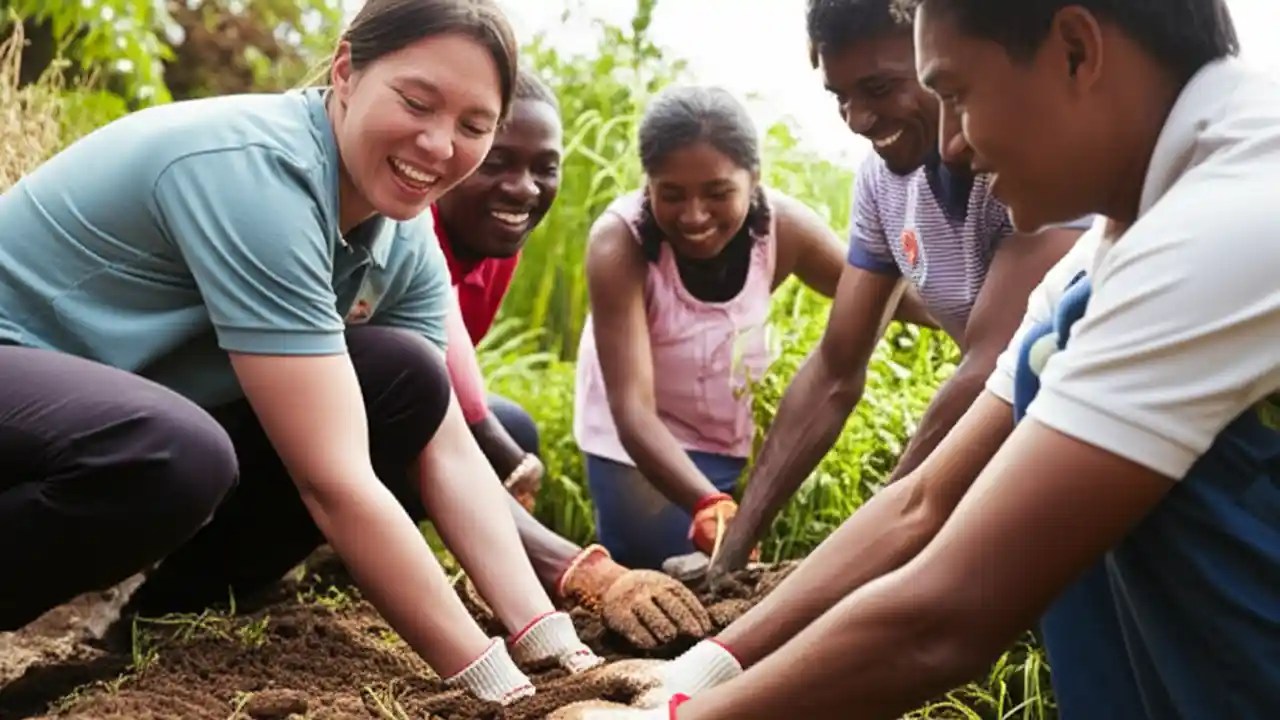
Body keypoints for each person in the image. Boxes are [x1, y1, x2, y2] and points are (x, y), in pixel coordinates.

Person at [559, 0, 1279, 717]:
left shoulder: (1230, 222)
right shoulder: (1110, 251)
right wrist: (704, 669)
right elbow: (923, 501)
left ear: (1074, 51)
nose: (955, 146)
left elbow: (952, 611)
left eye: (958, 95)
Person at [0, 0, 605, 707]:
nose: (440, 145)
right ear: (346, 70)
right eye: (416, 102)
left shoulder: (400, 230)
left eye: (473, 126)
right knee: (172, 453)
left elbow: (444, 448)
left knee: (404, 381)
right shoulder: (257, 175)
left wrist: (558, 653)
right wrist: (497, 689)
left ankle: (158, 612)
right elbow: (335, 483)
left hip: (98, 405)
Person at [706, 0, 1089, 584]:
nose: (858, 118)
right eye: (840, 96)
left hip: (1082, 450)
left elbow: (987, 371)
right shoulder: (884, 184)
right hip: (1003, 453)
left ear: (941, 55)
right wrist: (738, 544)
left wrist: (863, 552)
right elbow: (835, 370)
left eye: (878, 87)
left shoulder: (1035, 166)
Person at [572, 84, 932, 571]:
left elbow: (877, 288)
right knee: (656, 569)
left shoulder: (782, 230)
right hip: (634, 448)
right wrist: (709, 506)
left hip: (725, 435)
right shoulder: (620, 243)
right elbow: (632, 409)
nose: (694, 215)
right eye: (671, 194)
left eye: (718, 193)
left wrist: (964, 312)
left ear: (754, 179)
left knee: (734, 565)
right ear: (648, 184)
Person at [433, 66, 718, 649]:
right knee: (473, 429)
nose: (524, 188)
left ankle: (482, 562)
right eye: (498, 161)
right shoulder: (410, 233)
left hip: (395, 411)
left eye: (545, 167)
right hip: (308, 420)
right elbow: (422, 408)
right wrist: (587, 573)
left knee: (515, 427)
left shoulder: (497, 248)